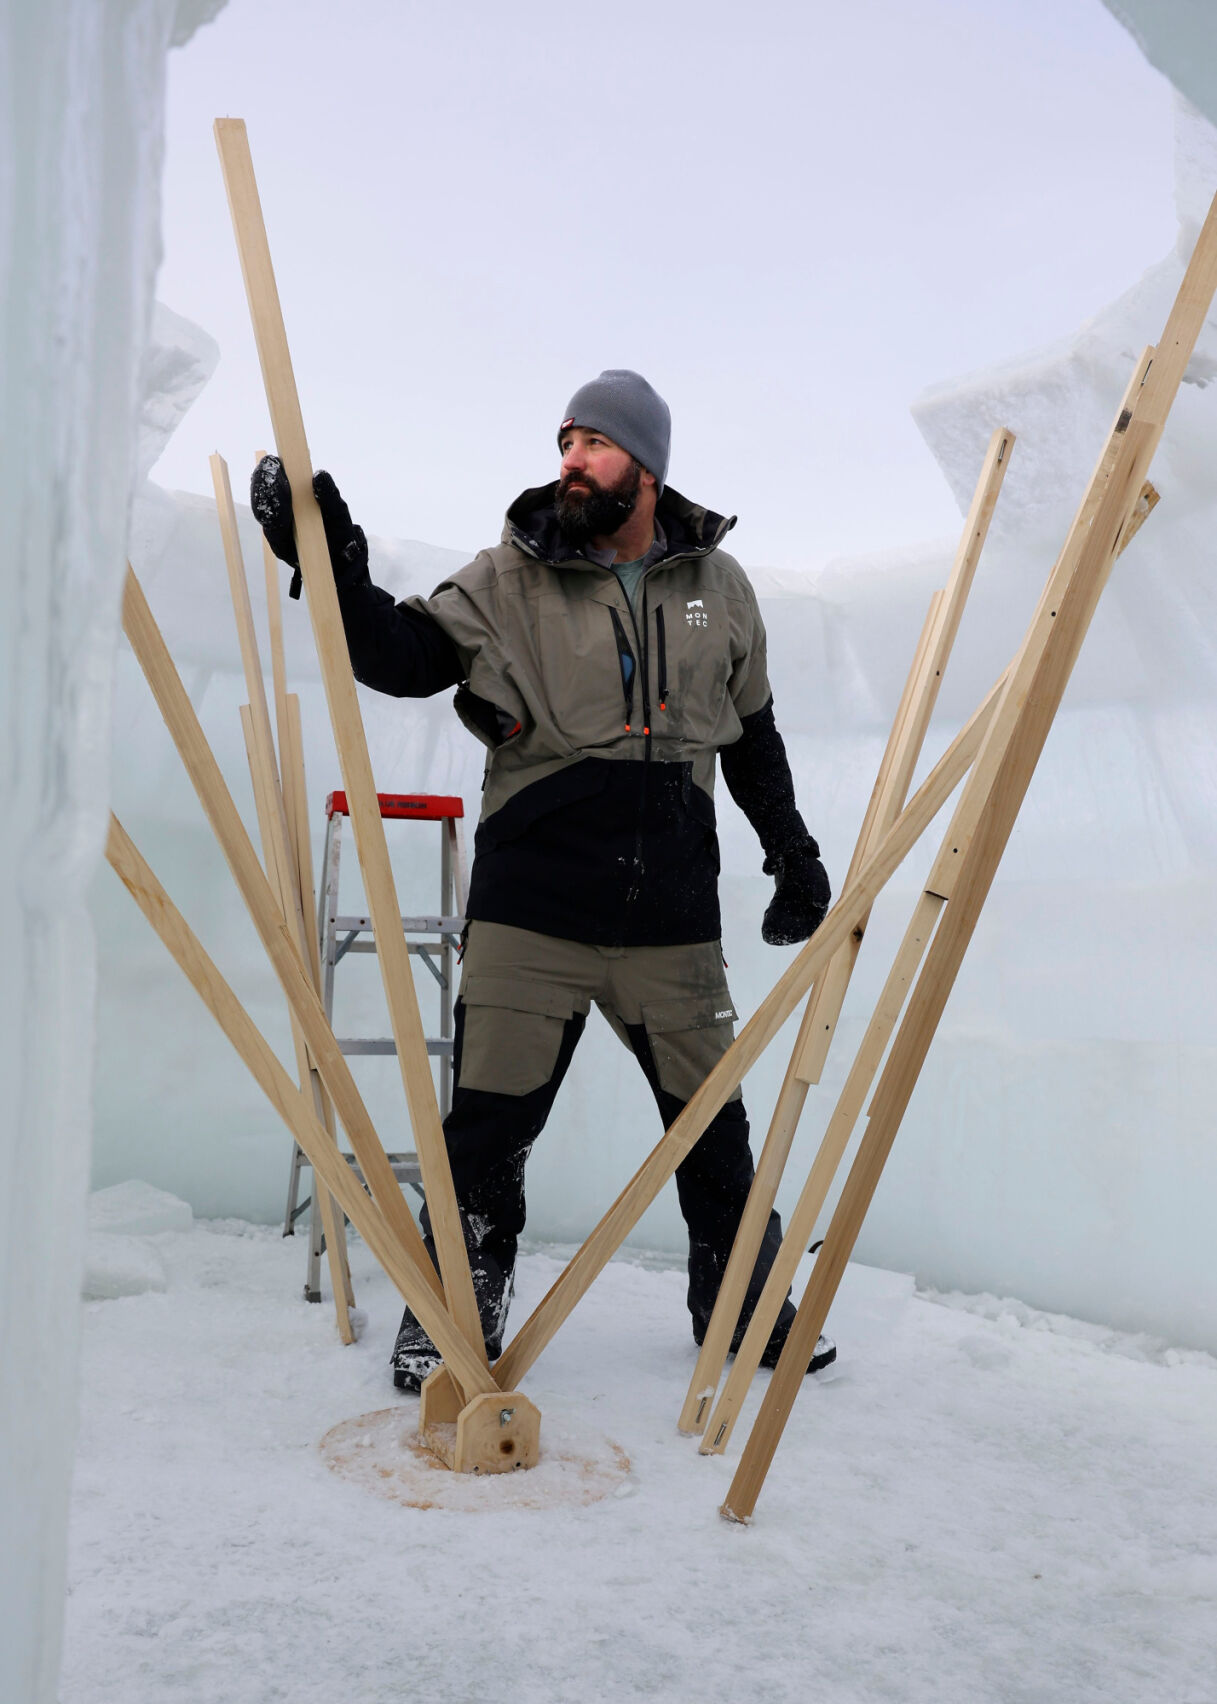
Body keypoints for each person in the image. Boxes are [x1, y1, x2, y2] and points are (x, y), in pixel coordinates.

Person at [253, 369, 834, 1391]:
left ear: (645, 468)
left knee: (714, 1131)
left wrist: (790, 852)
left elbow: (750, 734)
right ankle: (450, 1315)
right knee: (485, 1130)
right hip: (533, 911)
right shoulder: (508, 576)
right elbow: (401, 656)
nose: (570, 458)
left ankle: (739, 1306)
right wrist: (333, 571)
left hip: (671, 914)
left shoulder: (717, 589)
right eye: (564, 439)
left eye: (594, 443)